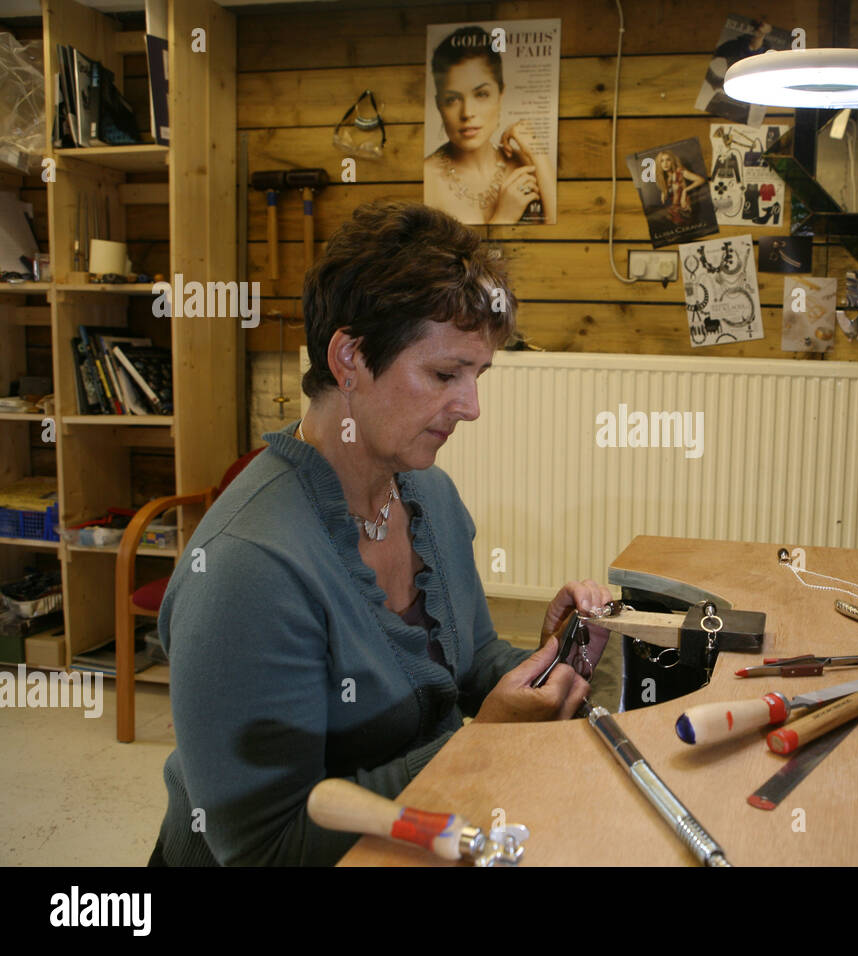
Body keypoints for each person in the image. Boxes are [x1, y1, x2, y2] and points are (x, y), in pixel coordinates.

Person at [149, 201, 610, 866]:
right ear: (350, 358)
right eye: (446, 374)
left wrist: (551, 662)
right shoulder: (246, 568)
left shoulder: (429, 495)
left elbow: (470, 667)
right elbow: (266, 850)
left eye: (478, 376)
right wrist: (479, 745)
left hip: (423, 837)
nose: (472, 408)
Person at [423, 26, 555, 225]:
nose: (467, 112)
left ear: (501, 96)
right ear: (438, 105)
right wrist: (503, 217)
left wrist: (539, 155)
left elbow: (564, 235)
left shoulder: (523, 164)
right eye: (452, 99)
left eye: (481, 94)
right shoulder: (427, 176)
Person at [655, 149, 707, 224]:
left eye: (668, 160)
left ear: (672, 161)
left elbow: (701, 180)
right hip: (673, 210)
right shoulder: (666, 178)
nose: (665, 163)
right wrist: (664, 191)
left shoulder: (680, 172)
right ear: (659, 164)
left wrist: (685, 191)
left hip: (684, 209)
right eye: (662, 161)